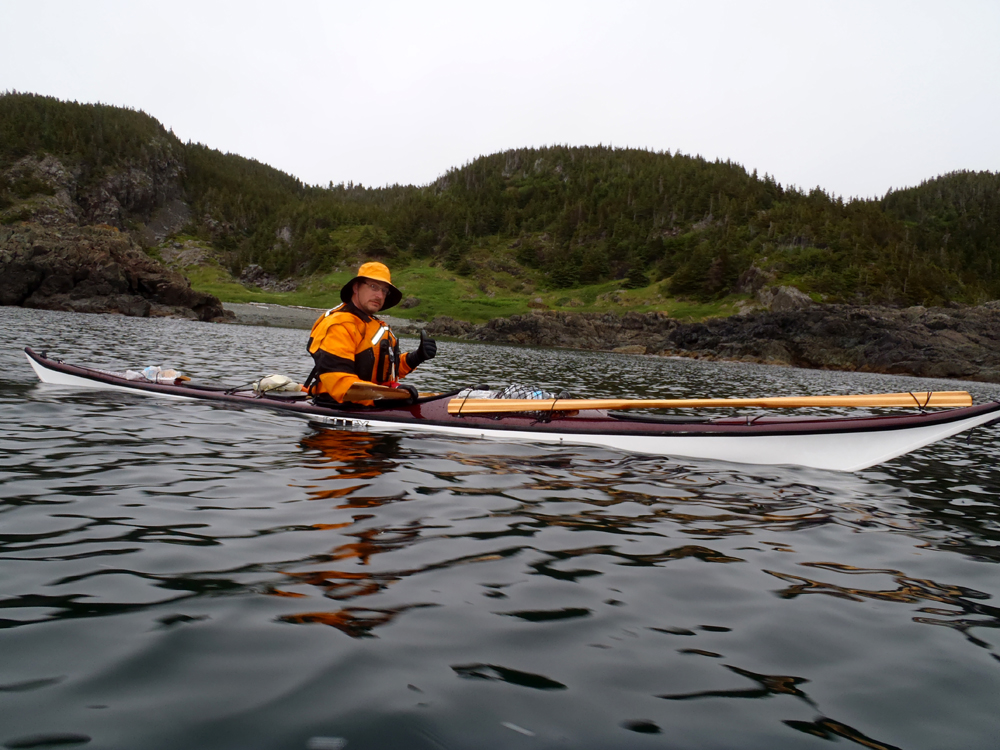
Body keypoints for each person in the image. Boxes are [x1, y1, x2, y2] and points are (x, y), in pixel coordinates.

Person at [305, 261, 437, 404]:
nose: (379, 295)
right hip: (337, 407)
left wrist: (416, 357)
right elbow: (341, 384)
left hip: (372, 403)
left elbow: (386, 371)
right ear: (356, 287)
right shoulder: (339, 325)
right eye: (374, 287)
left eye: (384, 291)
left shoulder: (374, 325)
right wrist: (388, 398)